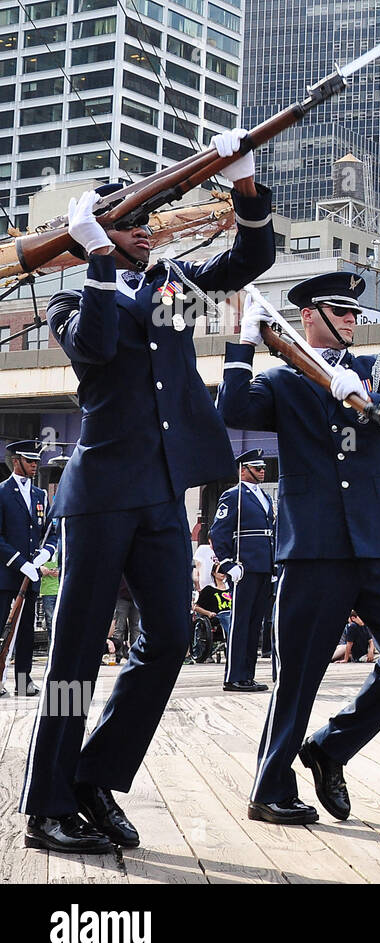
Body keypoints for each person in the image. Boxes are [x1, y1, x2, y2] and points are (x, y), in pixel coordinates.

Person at [21, 130, 274, 854]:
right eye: (127, 223)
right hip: (99, 500)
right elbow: (95, 350)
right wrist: (96, 255)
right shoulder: (75, 298)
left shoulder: (166, 293)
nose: (142, 232)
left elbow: (248, 259)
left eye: (142, 223)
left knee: (165, 639)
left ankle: (95, 778)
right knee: (72, 660)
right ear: (99, 234)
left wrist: (246, 184)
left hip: (163, 497)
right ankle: (48, 802)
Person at [219, 271, 380, 826]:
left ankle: (331, 747)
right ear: (307, 316)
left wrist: (360, 393)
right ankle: (269, 788)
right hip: (315, 545)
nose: (352, 320)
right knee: (299, 672)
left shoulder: (378, 368)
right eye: (340, 311)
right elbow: (233, 410)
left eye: (355, 312)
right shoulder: (283, 379)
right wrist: (242, 337)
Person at [208, 449, 273, 693]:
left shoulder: (264, 496)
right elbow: (218, 531)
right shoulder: (233, 495)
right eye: (257, 468)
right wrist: (227, 564)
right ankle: (234, 676)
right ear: (243, 470)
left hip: (263, 566)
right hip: (243, 568)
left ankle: (247, 675)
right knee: (240, 622)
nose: (262, 471)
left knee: (255, 623)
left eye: (263, 468)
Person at [0, 439, 56, 697]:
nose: (35, 465)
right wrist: (21, 563)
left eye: (36, 461)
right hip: (7, 574)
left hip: (31, 575)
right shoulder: (1, 492)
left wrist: (45, 554)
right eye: (30, 461)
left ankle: (23, 680)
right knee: (2, 626)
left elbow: (50, 532)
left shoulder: (40, 495)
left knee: (26, 632)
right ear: (16, 461)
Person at [194, 569, 233, 647]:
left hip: (232, 613)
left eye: (223, 570)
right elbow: (196, 607)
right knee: (228, 619)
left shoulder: (231, 588)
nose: (222, 573)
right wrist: (208, 613)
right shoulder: (209, 589)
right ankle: (233, 641)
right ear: (214, 573)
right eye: (220, 571)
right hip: (218, 616)